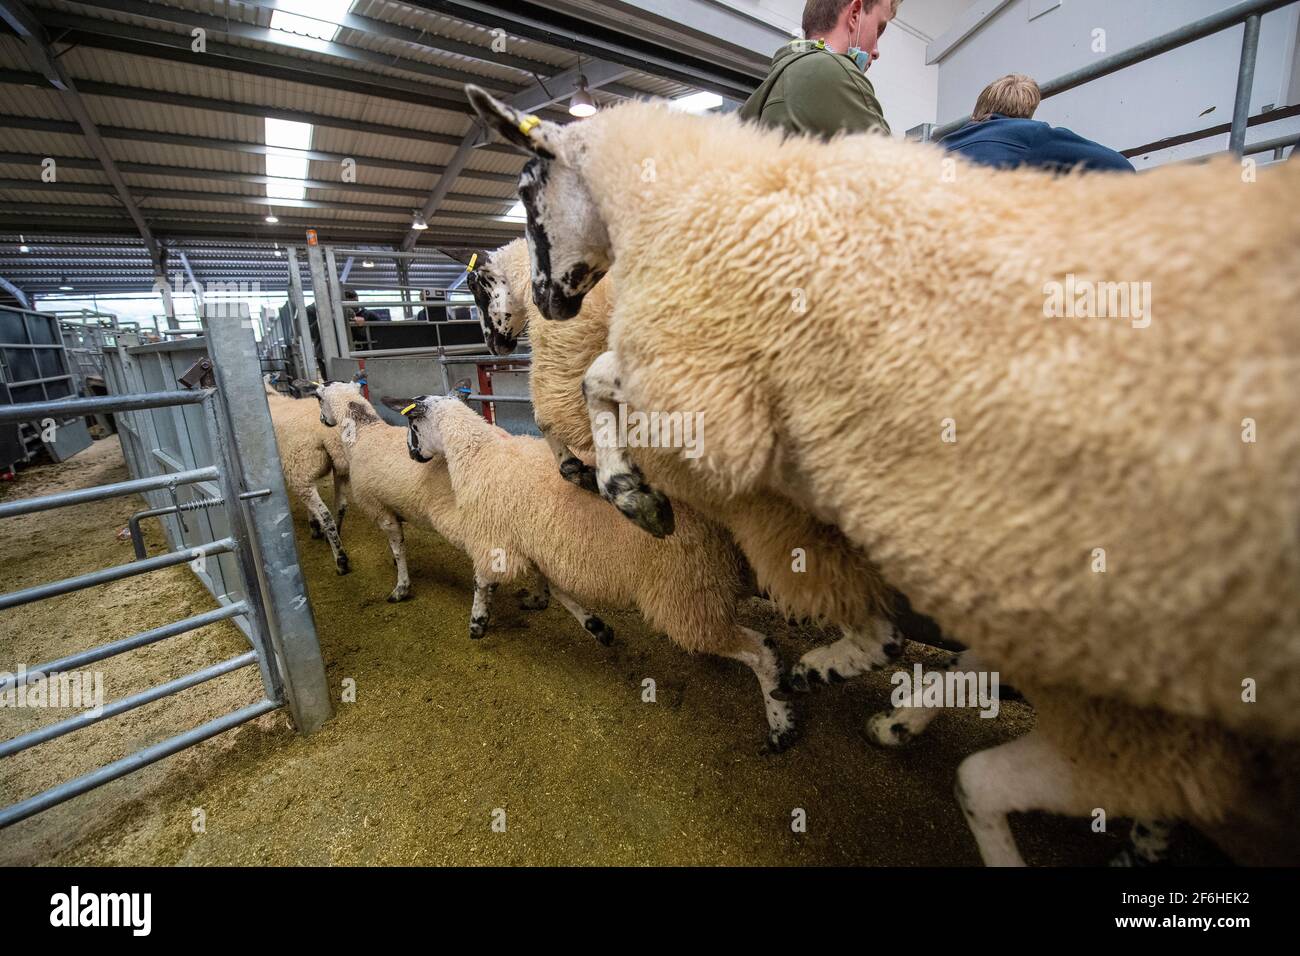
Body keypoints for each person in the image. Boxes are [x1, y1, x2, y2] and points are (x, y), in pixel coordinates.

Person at [740, 0, 898, 139]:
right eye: (879, 29)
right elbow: (897, 169)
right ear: (854, 14)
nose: (876, 52)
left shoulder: (766, 91)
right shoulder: (830, 72)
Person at [942, 74, 1135, 173]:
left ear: (978, 107)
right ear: (1027, 112)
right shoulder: (1030, 134)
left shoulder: (940, 146)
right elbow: (1120, 167)